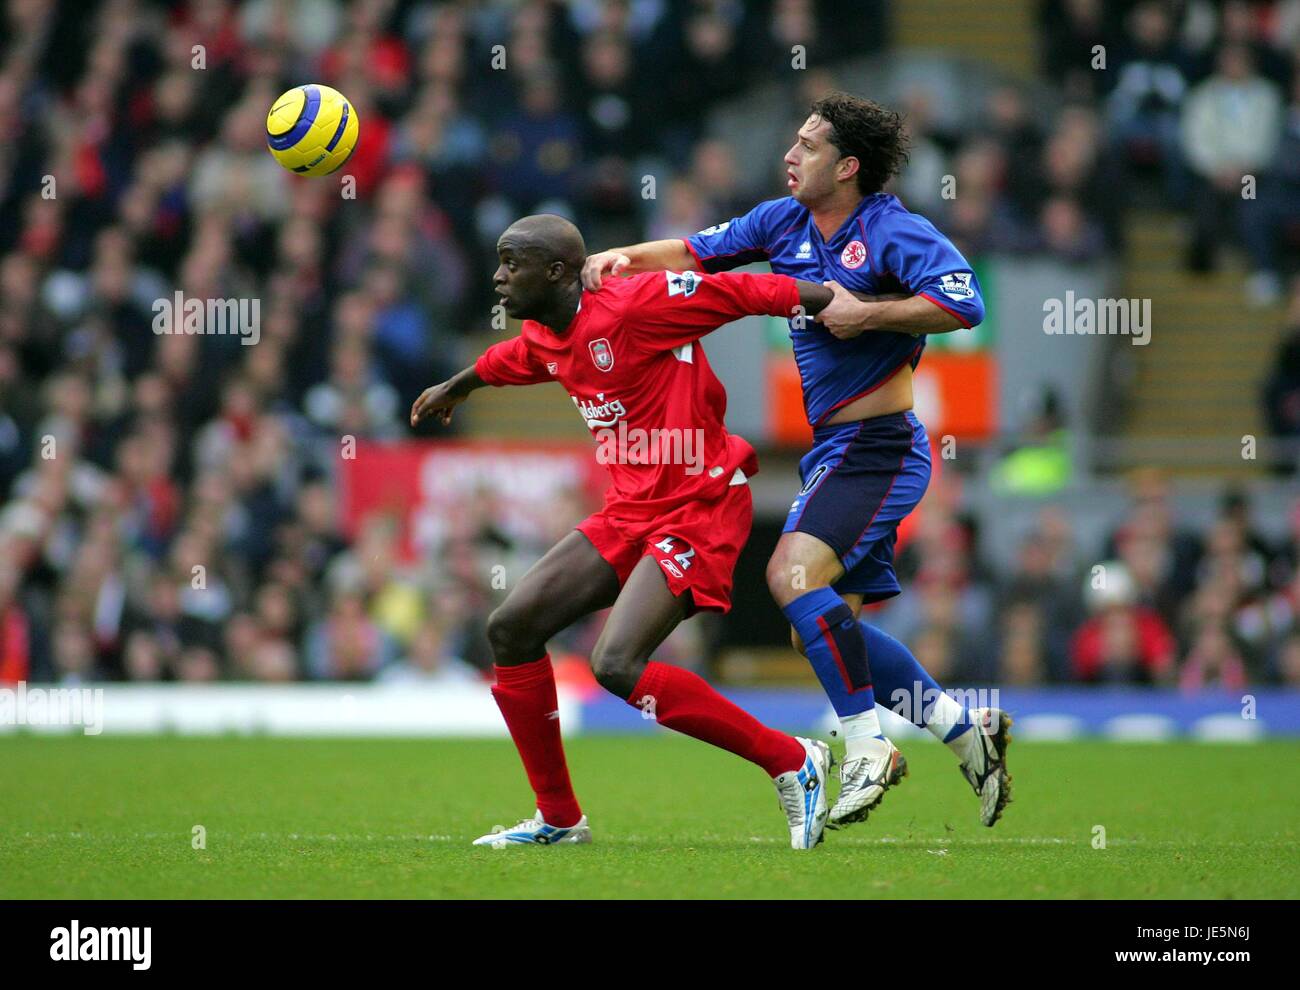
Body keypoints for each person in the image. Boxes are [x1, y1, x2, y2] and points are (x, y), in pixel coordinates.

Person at [582, 93, 1012, 828]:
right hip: (835, 450)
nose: (791, 154)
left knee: (788, 575)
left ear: (847, 168)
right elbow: (693, 252)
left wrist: (870, 311)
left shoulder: (890, 229)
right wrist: (620, 259)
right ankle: (962, 728)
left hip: (878, 447)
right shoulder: (782, 220)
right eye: (795, 140)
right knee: (816, 624)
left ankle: (867, 748)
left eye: (809, 146)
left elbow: (964, 300)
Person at [412, 214, 864, 849]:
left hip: (701, 503)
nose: (497, 277)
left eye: (512, 264)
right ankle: (559, 820)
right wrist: (454, 387)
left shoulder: (635, 305)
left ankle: (792, 759)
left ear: (558, 273)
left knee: (616, 664)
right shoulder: (548, 334)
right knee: (510, 629)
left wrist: (838, 303)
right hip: (629, 512)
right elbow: (510, 360)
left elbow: (738, 293)